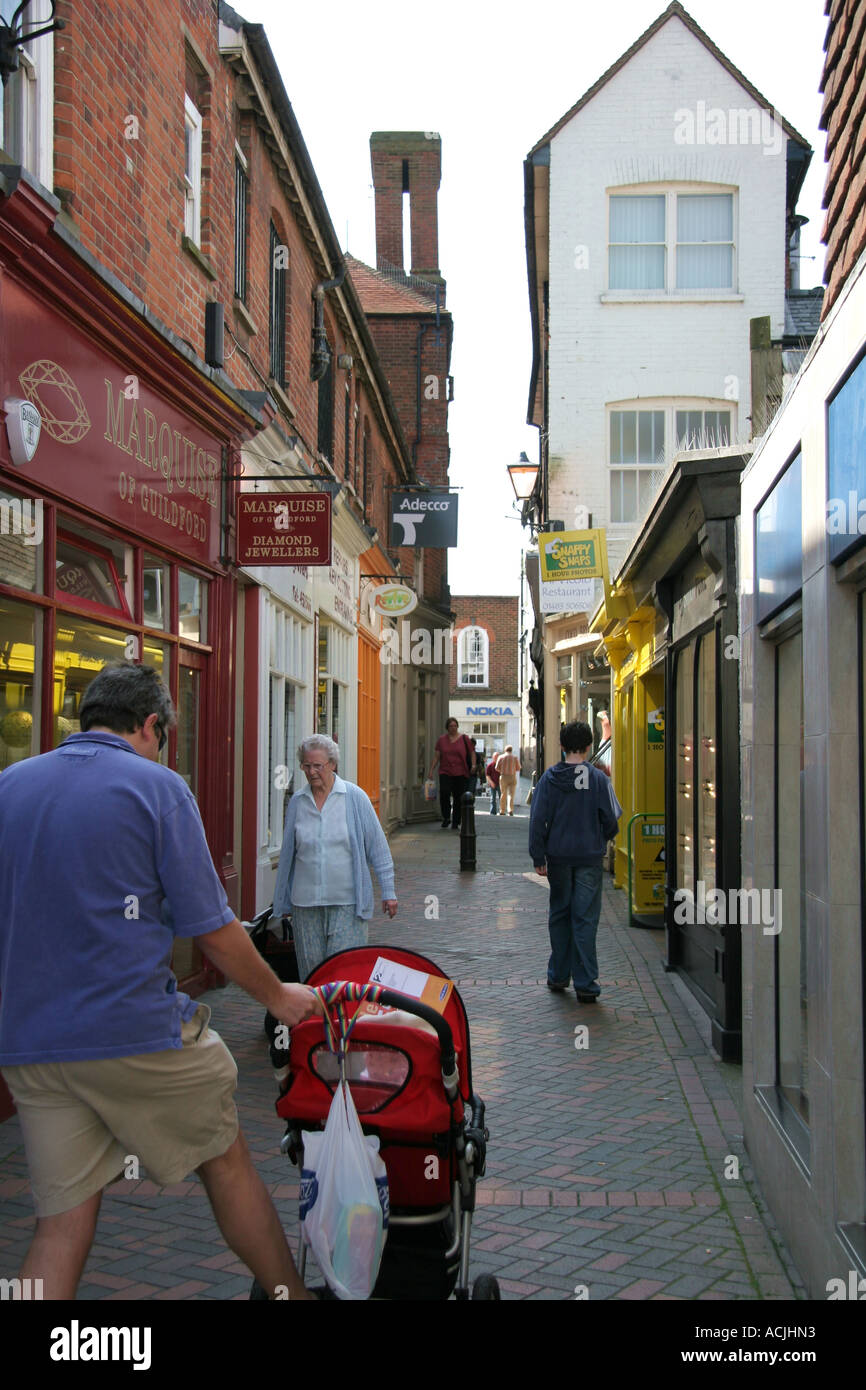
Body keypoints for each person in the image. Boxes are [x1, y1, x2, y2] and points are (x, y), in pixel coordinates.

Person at [0, 663, 320, 1301]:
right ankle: (293, 1296)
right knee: (226, 1163)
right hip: (135, 1033)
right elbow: (214, 931)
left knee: (60, 1221)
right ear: (150, 725)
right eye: (163, 737)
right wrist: (280, 997)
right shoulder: (159, 789)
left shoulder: (12, 785)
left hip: (33, 1044)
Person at [273, 734, 398, 980]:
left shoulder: (354, 798)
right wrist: (283, 900)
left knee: (344, 972)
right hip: (305, 905)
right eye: (306, 765)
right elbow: (288, 855)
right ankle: (317, 1008)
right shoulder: (298, 802)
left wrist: (389, 891)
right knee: (312, 976)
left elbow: (378, 847)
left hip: (347, 903)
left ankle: (341, 1008)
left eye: (317, 765)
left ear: (332, 764)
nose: (311, 772)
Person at [528, 720, 622, 1003]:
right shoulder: (599, 779)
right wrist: (600, 838)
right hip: (589, 857)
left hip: (558, 856)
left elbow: (537, 820)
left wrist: (538, 855)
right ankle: (585, 983)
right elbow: (611, 819)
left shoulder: (549, 779)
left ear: (561, 745)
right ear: (589, 746)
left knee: (560, 913)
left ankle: (558, 975)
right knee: (585, 918)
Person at [429, 717, 475, 830]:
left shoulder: (464, 739)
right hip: (445, 771)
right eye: (451, 726)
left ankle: (456, 821)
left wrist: (473, 765)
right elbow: (437, 756)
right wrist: (431, 770)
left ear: (457, 727)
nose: (453, 728)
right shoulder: (442, 740)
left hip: (461, 772)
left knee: (458, 797)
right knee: (444, 793)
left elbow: (472, 753)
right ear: (447, 728)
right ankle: (446, 817)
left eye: (455, 726)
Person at [496, 744, 521, 816]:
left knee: (503, 794)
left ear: (505, 750)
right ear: (511, 750)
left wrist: (502, 770)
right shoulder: (515, 757)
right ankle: (510, 810)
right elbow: (518, 768)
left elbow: (496, 767)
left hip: (503, 776)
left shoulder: (501, 757)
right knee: (511, 794)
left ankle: (502, 810)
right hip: (512, 776)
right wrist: (512, 769)